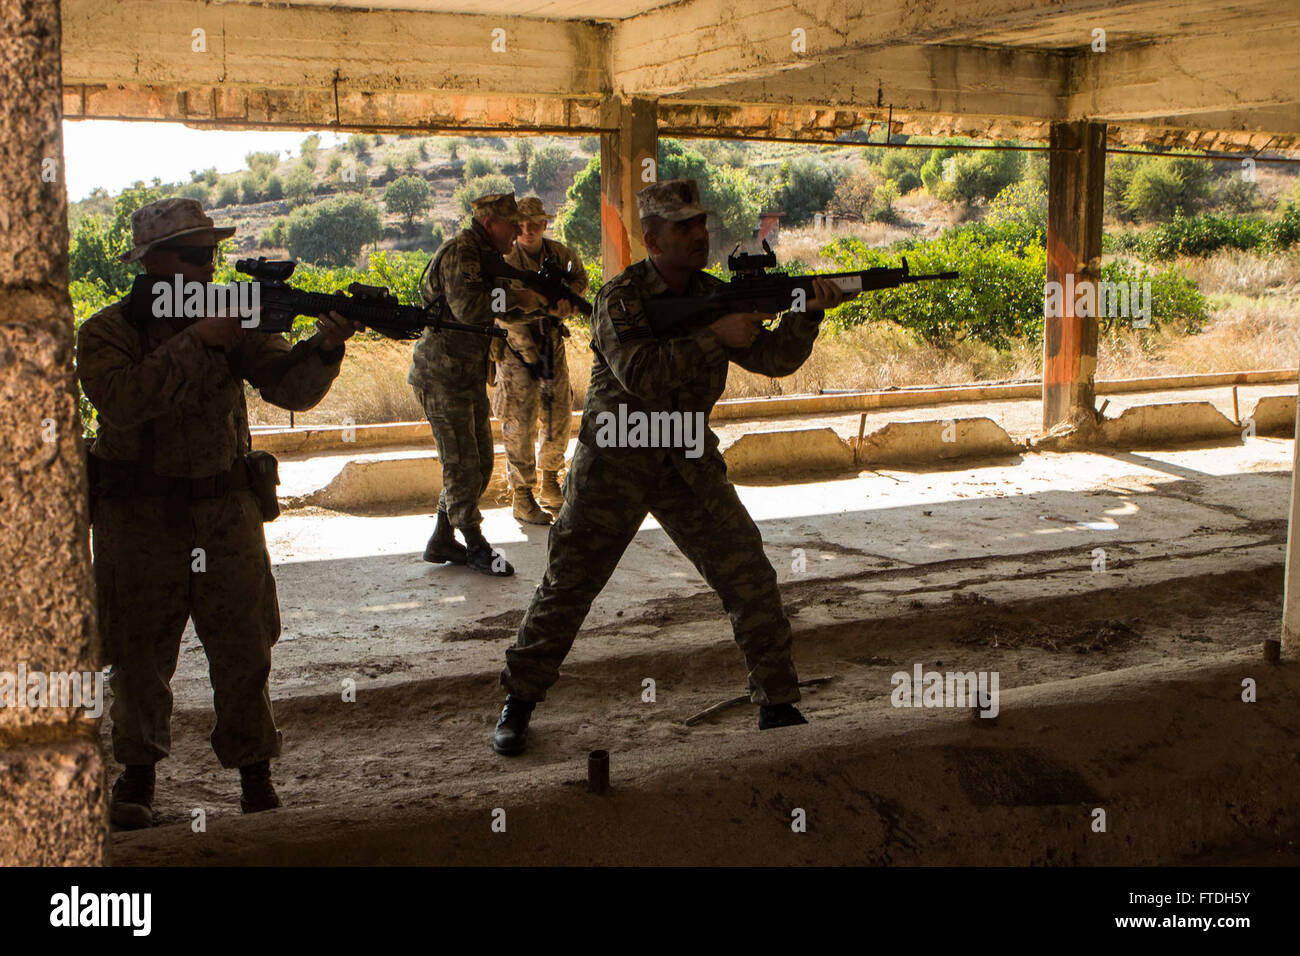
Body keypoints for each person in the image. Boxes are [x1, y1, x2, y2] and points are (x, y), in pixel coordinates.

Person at [491, 179, 853, 755]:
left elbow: (775, 359)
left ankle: (779, 703)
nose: (698, 235)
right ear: (653, 238)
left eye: (701, 224)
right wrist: (715, 336)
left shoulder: (716, 294)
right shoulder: (620, 299)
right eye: (683, 227)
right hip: (617, 458)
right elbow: (642, 374)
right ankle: (518, 700)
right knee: (569, 585)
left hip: (685, 455)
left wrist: (806, 315)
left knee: (748, 575)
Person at [77, 198, 363, 827]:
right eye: (195, 255)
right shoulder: (109, 329)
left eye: (212, 255)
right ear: (152, 262)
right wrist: (194, 341)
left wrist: (324, 346)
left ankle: (255, 773)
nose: (210, 268)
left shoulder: (231, 316)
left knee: (243, 645)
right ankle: (138, 777)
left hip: (225, 511)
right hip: (139, 519)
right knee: (139, 653)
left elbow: (287, 388)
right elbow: (122, 401)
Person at [410, 192, 544, 575]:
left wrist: (534, 298)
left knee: (480, 461)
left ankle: (441, 537)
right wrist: (522, 298)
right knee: (461, 464)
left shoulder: (488, 256)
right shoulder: (462, 253)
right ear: (490, 224)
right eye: (511, 223)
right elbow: (469, 309)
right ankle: (474, 543)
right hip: (442, 374)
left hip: (466, 373)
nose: (519, 230)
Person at [494, 196, 588, 525]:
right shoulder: (504, 258)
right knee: (519, 419)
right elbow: (500, 308)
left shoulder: (559, 255)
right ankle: (521, 495)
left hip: (550, 339)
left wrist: (566, 303)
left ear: (545, 225)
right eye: (520, 225)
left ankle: (550, 481)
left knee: (558, 412)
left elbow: (581, 280)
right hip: (515, 344)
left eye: (535, 224)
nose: (528, 231)